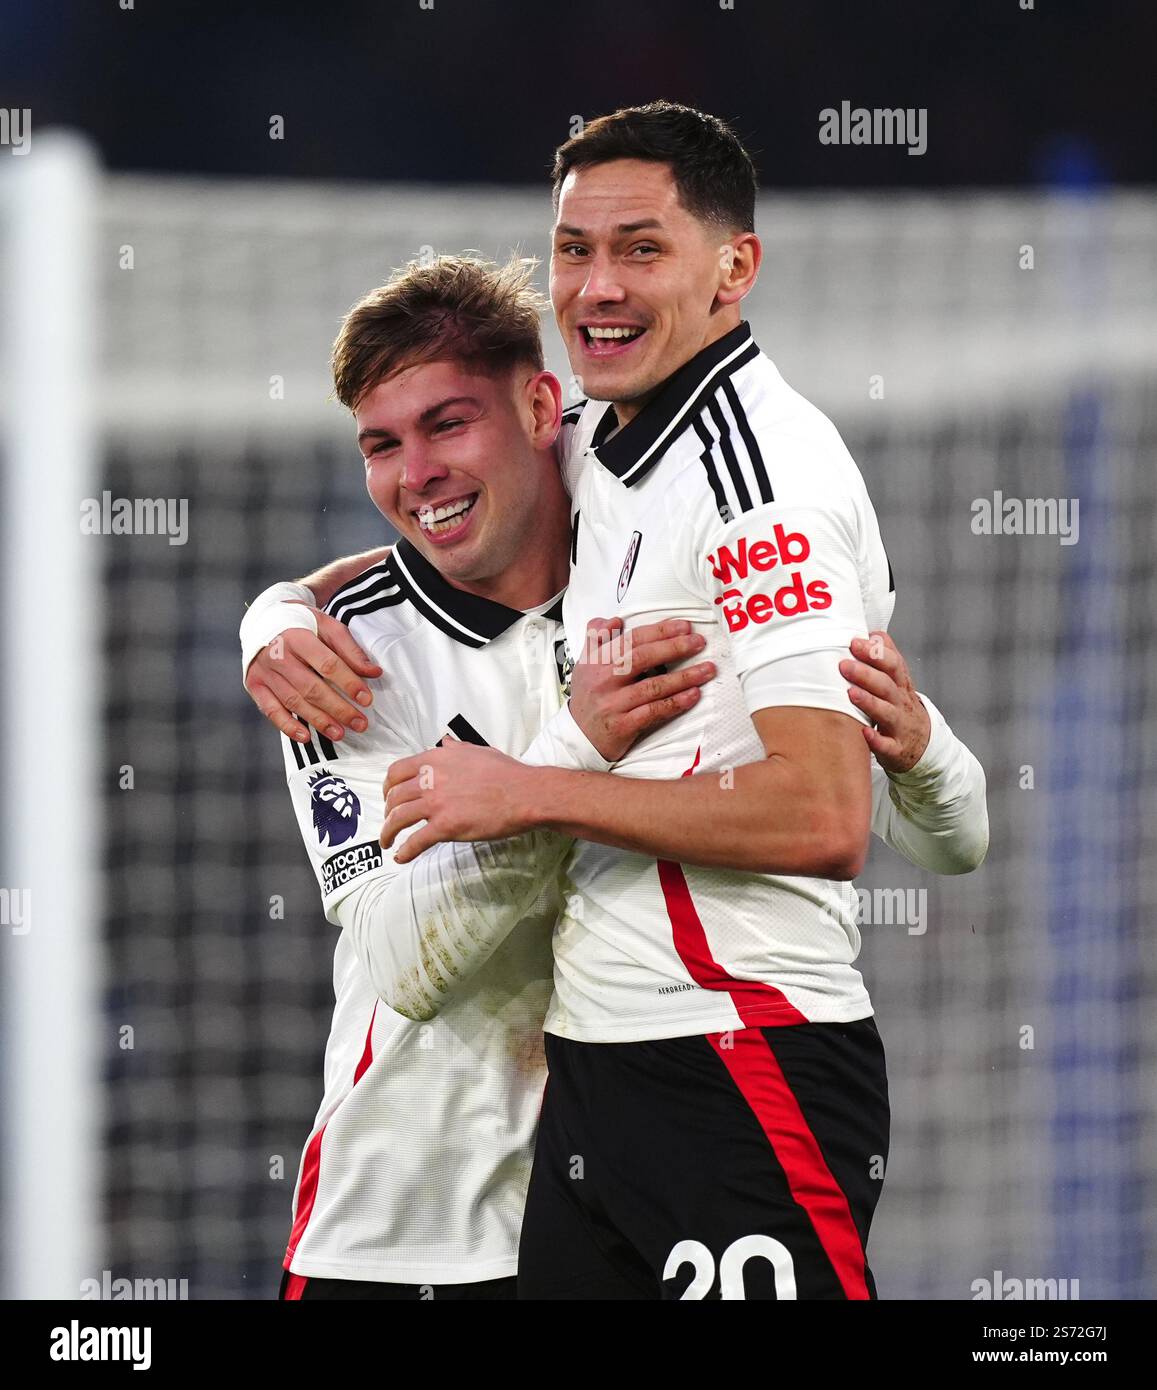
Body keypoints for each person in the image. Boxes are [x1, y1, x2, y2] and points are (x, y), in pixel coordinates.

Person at [244, 246, 987, 1299]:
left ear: (545, 409)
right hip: (401, 1223)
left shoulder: (653, 504)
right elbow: (405, 962)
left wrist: (929, 757)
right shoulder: (337, 664)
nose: (416, 475)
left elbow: (914, 812)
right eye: (381, 445)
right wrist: (564, 749)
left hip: (633, 1180)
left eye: (448, 424)